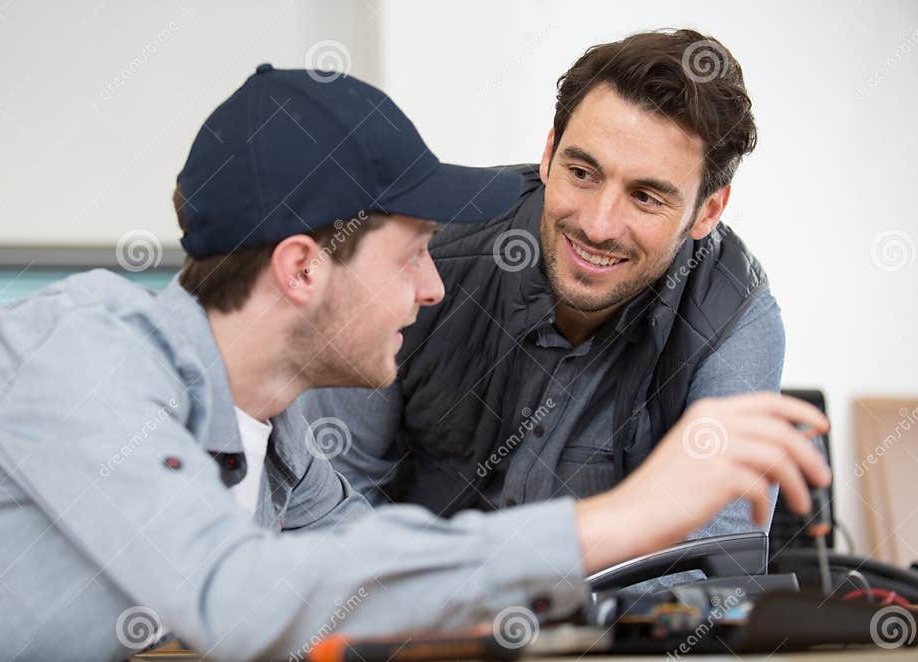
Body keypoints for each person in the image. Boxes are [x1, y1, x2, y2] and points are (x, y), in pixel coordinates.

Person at [0, 63, 830, 661]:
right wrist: (627, 516)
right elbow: (232, 597)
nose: (436, 289)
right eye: (412, 255)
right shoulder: (83, 350)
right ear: (303, 268)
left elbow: (372, 583)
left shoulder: (284, 456)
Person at [302, 30, 785, 540]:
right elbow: (326, 508)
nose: (598, 225)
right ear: (549, 153)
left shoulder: (734, 319)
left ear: (707, 210)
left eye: (646, 197)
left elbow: (717, 559)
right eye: (582, 172)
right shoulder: (421, 254)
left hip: (611, 621)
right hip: (407, 609)